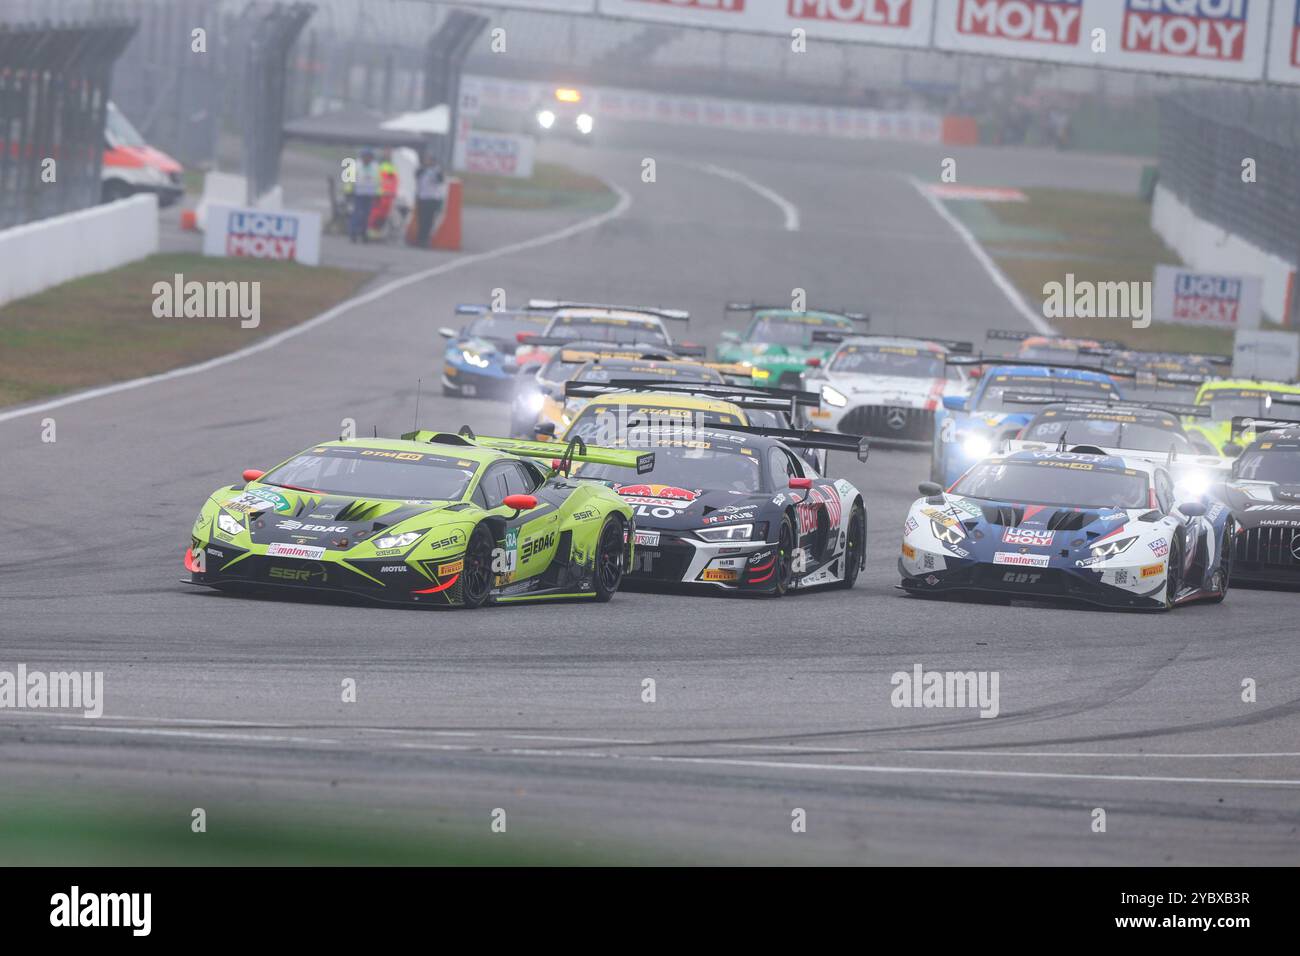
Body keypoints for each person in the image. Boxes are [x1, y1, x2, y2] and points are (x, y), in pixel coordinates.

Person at [348, 147, 381, 243]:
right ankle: (353, 233)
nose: (367, 159)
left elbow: (378, 181)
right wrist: (349, 191)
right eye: (365, 156)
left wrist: (378, 194)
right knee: (357, 213)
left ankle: (363, 233)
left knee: (367, 215)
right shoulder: (356, 165)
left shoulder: (375, 167)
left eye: (369, 157)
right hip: (359, 193)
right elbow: (350, 180)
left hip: (370, 194)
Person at [412, 154, 445, 248]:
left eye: (430, 160)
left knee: (429, 221)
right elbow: (416, 175)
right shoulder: (422, 170)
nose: (428, 162)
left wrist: (435, 171)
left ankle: (425, 239)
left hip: (432, 199)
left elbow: (440, 180)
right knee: (421, 220)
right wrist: (424, 168)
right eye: (427, 160)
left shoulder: (437, 170)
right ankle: (420, 239)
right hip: (422, 198)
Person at [369, 149, 399, 240]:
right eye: (387, 155)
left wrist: (393, 193)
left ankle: (376, 232)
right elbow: (376, 181)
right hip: (380, 195)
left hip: (388, 196)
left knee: (382, 215)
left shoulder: (392, 168)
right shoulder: (379, 167)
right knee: (375, 214)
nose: (388, 156)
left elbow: (395, 182)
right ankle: (372, 232)